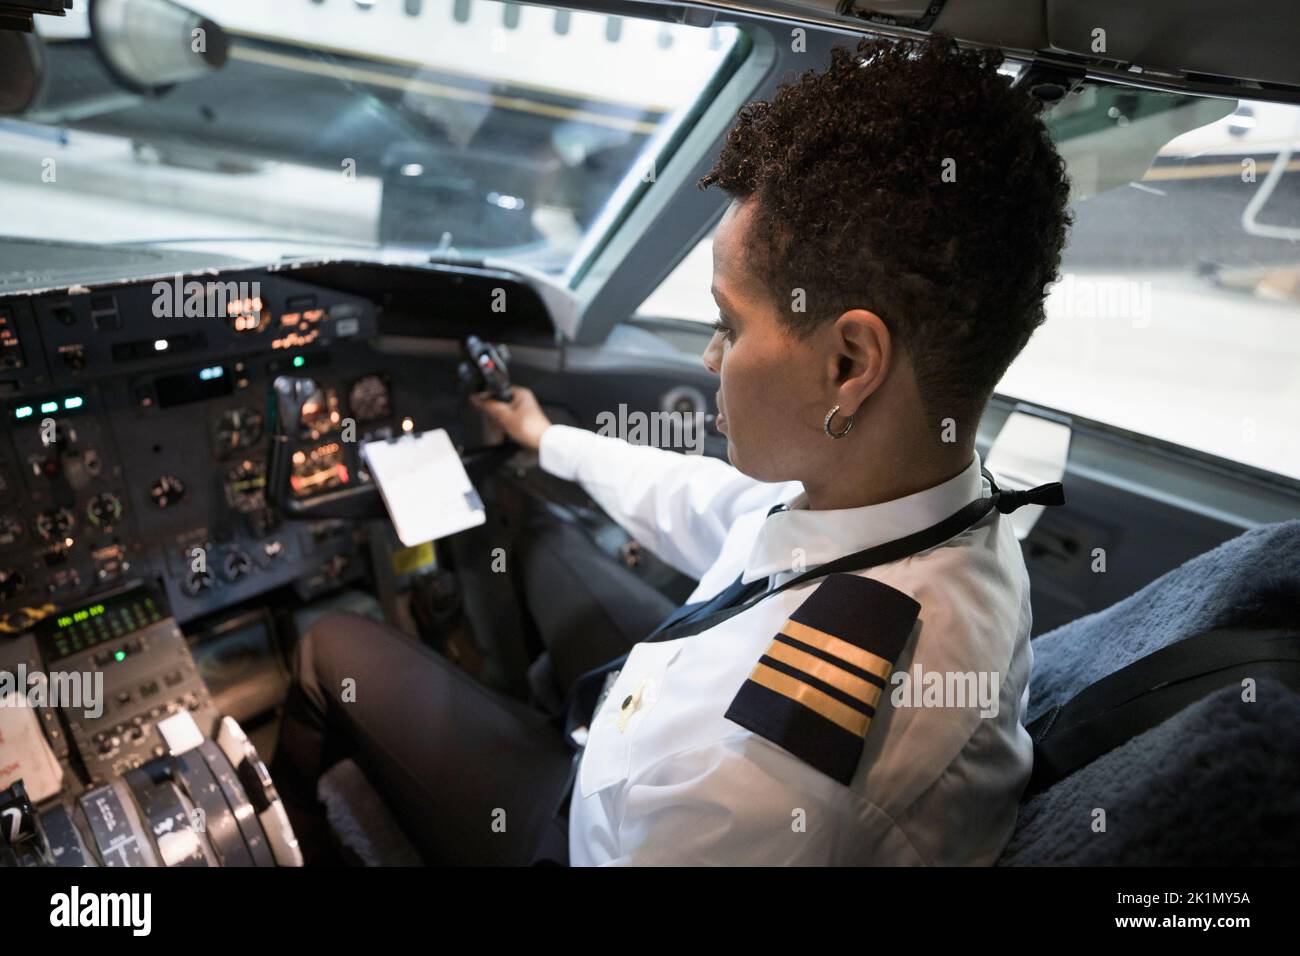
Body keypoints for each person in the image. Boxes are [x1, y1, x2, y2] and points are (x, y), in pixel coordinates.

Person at [272, 33, 1072, 865]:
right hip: (633, 730)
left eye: (728, 323)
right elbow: (707, 504)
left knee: (333, 646)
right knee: (531, 522)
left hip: (579, 834)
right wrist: (547, 439)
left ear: (849, 365)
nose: (710, 359)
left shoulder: (763, 790)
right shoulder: (927, 505)